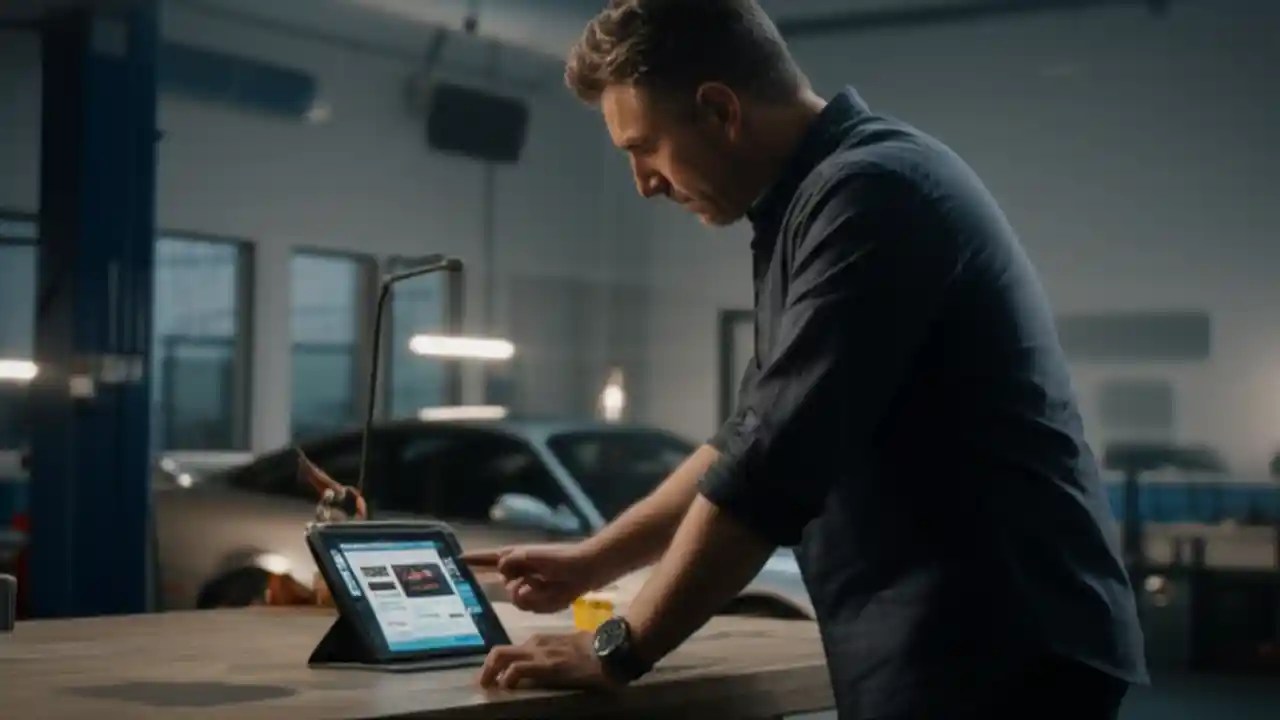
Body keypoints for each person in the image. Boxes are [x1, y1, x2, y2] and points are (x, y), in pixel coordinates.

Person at [464, 1, 1149, 717]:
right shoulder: (823, 201)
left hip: (993, 647)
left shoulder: (873, 194)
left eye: (645, 147)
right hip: (971, 637)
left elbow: (771, 469)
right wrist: (594, 562)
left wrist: (619, 647)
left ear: (720, 110)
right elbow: (746, 438)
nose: (643, 182)